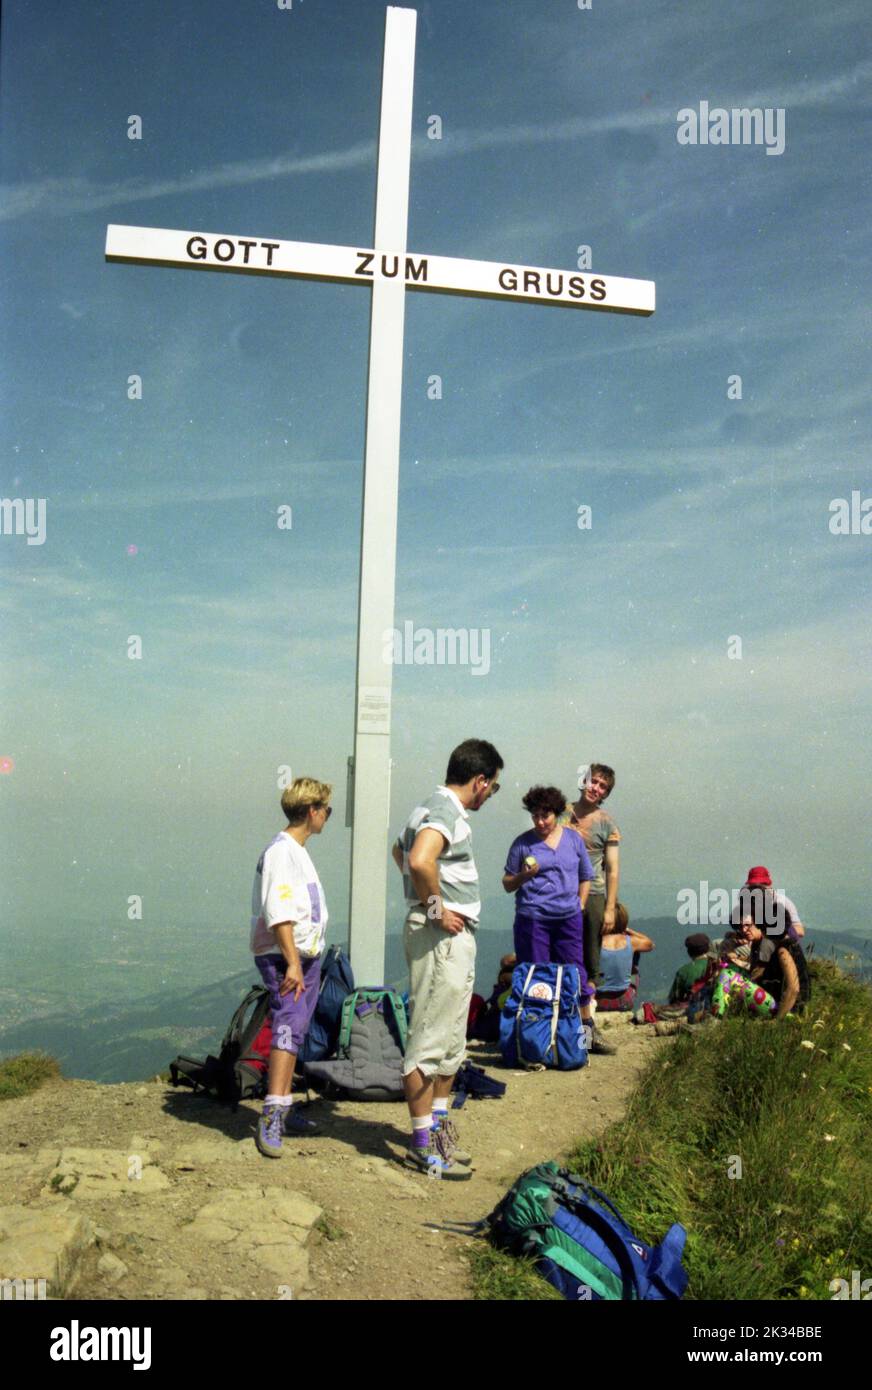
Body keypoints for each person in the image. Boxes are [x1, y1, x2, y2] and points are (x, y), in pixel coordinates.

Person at [392, 739, 503, 1179]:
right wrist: (437, 910)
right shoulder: (444, 811)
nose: (489, 796)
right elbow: (419, 860)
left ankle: (436, 1132)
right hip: (441, 936)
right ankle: (422, 1145)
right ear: (479, 781)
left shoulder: (427, 808)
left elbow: (400, 852)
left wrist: (430, 901)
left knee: (450, 1042)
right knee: (429, 1041)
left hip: (447, 935)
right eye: (492, 788)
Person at [250, 777, 333, 1158]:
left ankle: (282, 1105)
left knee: (294, 1028)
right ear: (311, 811)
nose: (327, 817)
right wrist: (293, 964)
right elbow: (279, 912)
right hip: (289, 956)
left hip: (302, 956)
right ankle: (271, 1114)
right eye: (326, 810)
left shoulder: (296, 850)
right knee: (287, 1026)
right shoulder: (283, 853)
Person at [503, 785, 613, 1055]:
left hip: (567, 918)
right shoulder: (522, 843)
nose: (540, 822)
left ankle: (585, 1036)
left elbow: (586, 876)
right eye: (535, 816)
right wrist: (523, 877)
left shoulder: (574, 840)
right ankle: (538, 1041)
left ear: (556, 813)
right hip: (533, 918)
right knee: (536, 976)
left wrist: (580, 904)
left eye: (546, 815)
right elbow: (507, 883)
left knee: (576, 973)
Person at [562, 764, 621, 989]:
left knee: (591, 956)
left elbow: (613, 868)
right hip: (560, 889)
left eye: (602, 786)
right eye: (593, 781)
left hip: (594, 892)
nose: (595, 788)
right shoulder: (560, 813)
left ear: (605, 793)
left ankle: (587, 1014)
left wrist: (610, 908)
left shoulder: (607, 823)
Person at [712, 917, 811, 1020]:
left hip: (785, 1009)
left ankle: (715, 1019)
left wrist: (779, 1019)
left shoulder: (779, 949)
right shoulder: (775, 945)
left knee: (726, 975)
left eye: (749, 925)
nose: (743, 930)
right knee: (731, 979)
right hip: (780, 1003)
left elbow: (793, 988)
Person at [597, 903, 654, 1012]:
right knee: (635, 958)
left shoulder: (593, 942)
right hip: (623, 1001)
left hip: (597, 1001)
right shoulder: (631, 941)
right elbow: (650, 944)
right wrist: (627, 930)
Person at [668, 933, 713, 1004]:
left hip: (694, 1010)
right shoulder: (720, 964)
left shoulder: (684, 971)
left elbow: (674, 998)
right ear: (708, 948)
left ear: (689, 952)